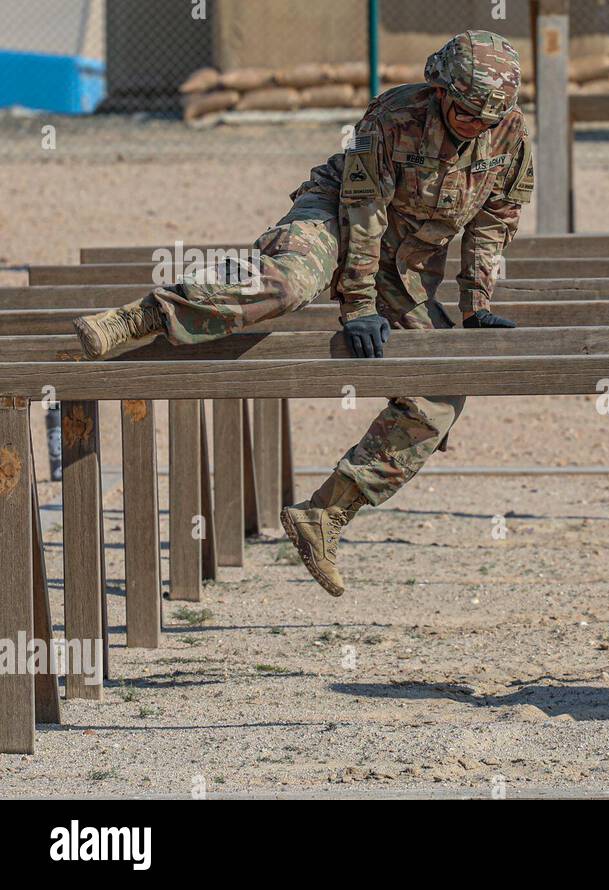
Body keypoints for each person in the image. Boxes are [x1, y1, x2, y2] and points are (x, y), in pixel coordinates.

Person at [73, 30, 534, 597]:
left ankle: (325, 515)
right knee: (288, 285)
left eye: (485, 119)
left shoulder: (509, 135)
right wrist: (358, 306)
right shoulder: (395, 115)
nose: (474, 126)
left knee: (438, 395)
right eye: (464, 112)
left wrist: (477, 306)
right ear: (442, 92)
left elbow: (493, 223)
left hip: (407, 255)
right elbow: (364, 210)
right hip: (336, 217)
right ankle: (146, 315)